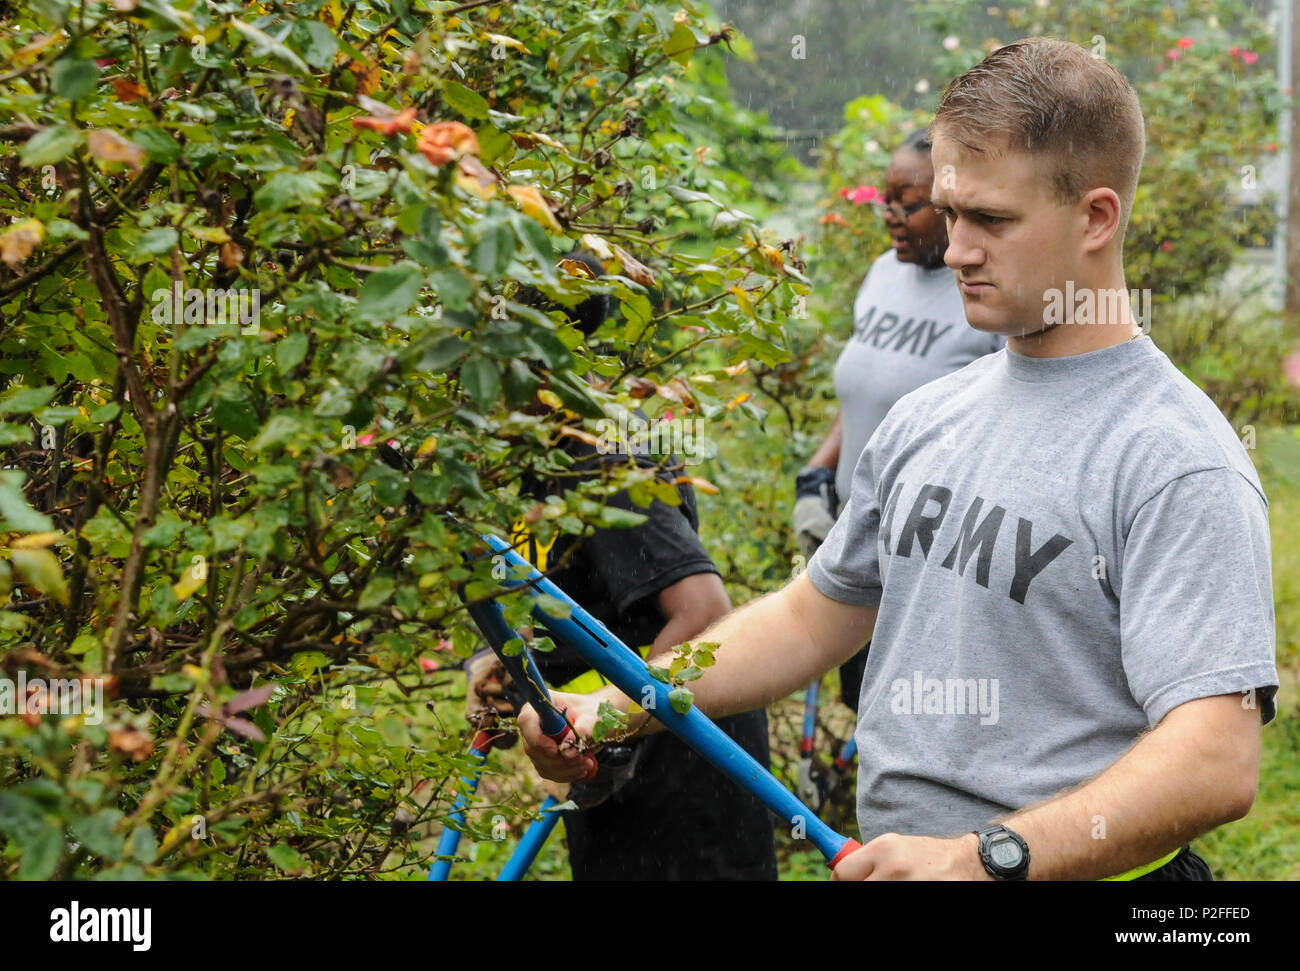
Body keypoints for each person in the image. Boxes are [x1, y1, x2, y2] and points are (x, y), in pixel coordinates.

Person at [518, 38, 1279, 881]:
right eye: (951, 214)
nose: (955, 250)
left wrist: (984, 858)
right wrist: (621, 702)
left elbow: (1216, 758)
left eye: (991, 219)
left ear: (1097, 217)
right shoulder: (929, 415)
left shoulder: (1173, 457)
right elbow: (813, 617)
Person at [465, 252, 778, 880]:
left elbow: (703, 614)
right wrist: (513, 658)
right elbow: (577, 591)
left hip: (680, 780)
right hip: (620, 761)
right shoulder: (543, 449)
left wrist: (604, 724)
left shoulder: (603, 458)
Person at [794, 128, 1004, 712]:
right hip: (858, 533)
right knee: (865, 701)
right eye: (885, 200)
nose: (889, 216)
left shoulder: (987, 295)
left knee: (916, 708)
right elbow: (866, 392)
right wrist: (816, 476)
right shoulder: (884, 273)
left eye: (907, 203)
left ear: (951, 204)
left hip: (932, 552)